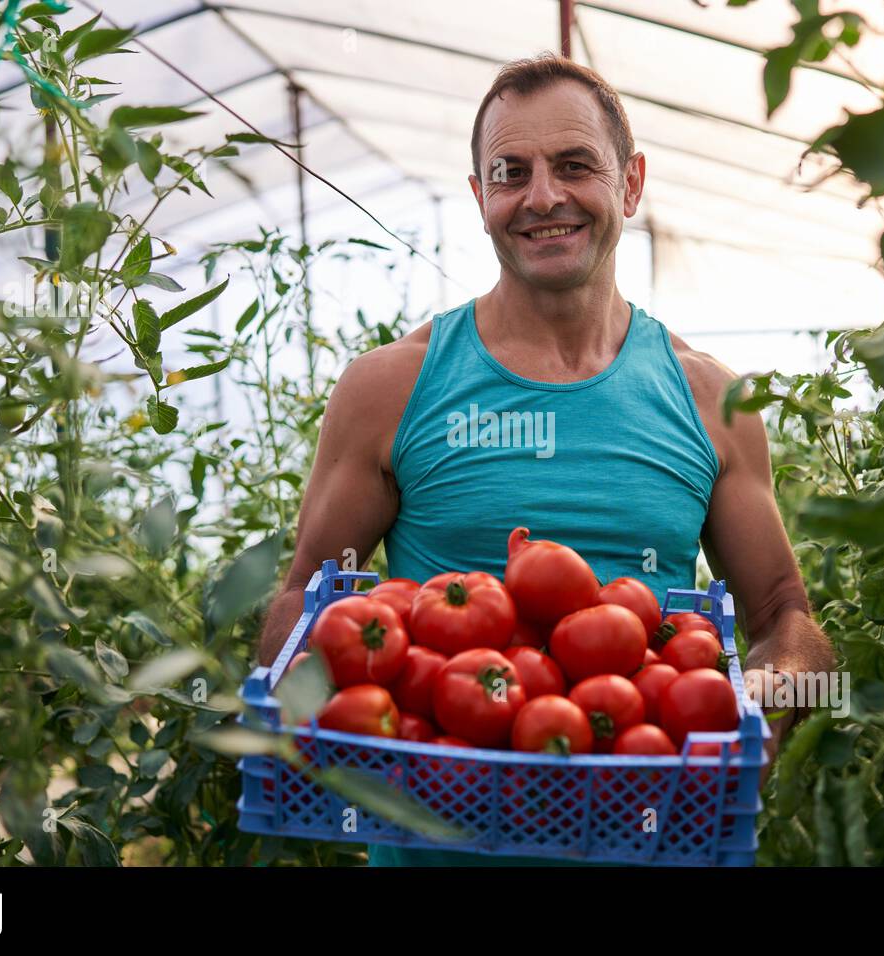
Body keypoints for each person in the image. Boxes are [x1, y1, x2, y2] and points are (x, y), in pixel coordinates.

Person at [259, 53, 835, 866]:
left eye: (574, 166)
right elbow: (304, 600)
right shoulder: (390, 388)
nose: (541, 197)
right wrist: (305, 719)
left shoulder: (711, 401)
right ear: (480, 198)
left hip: (651, 838)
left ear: (630, 184)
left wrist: (758, 707)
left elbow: (783, 615)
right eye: (510, 173)